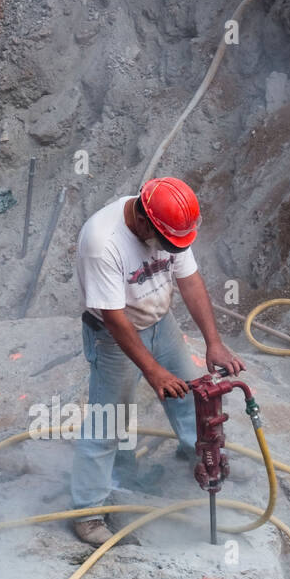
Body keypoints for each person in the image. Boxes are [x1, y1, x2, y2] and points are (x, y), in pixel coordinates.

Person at [70, 176, 245, 546]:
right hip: (112, 333)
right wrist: (153, 371)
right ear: (145, 221)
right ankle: (87, 512)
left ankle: (201, 457)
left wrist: (214, 343)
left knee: (190, 394)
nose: (169, 250)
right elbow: (115, 317)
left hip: (160, 322)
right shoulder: (102, 241)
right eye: (165, 243)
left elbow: (191, 281)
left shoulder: (171, 224)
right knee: (109, 421)